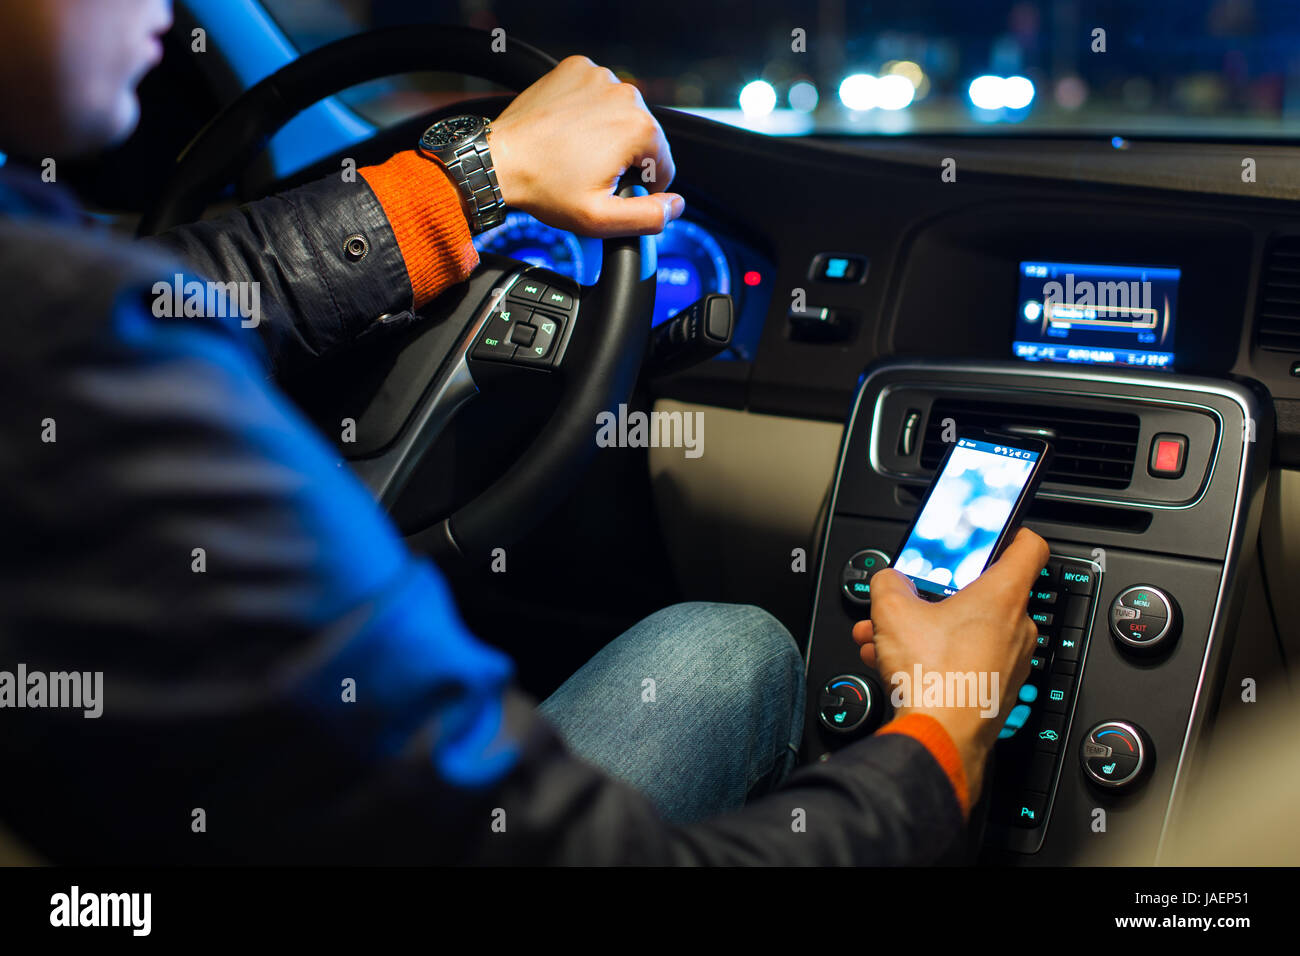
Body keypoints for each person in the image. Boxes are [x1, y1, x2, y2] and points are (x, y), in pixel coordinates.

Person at [0, 0, 1048, 864]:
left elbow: (189, 288)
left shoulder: (49, 287)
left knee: (718, 648)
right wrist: (938, 742)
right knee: (734, 646)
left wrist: (470, 176)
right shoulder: (77, 350)